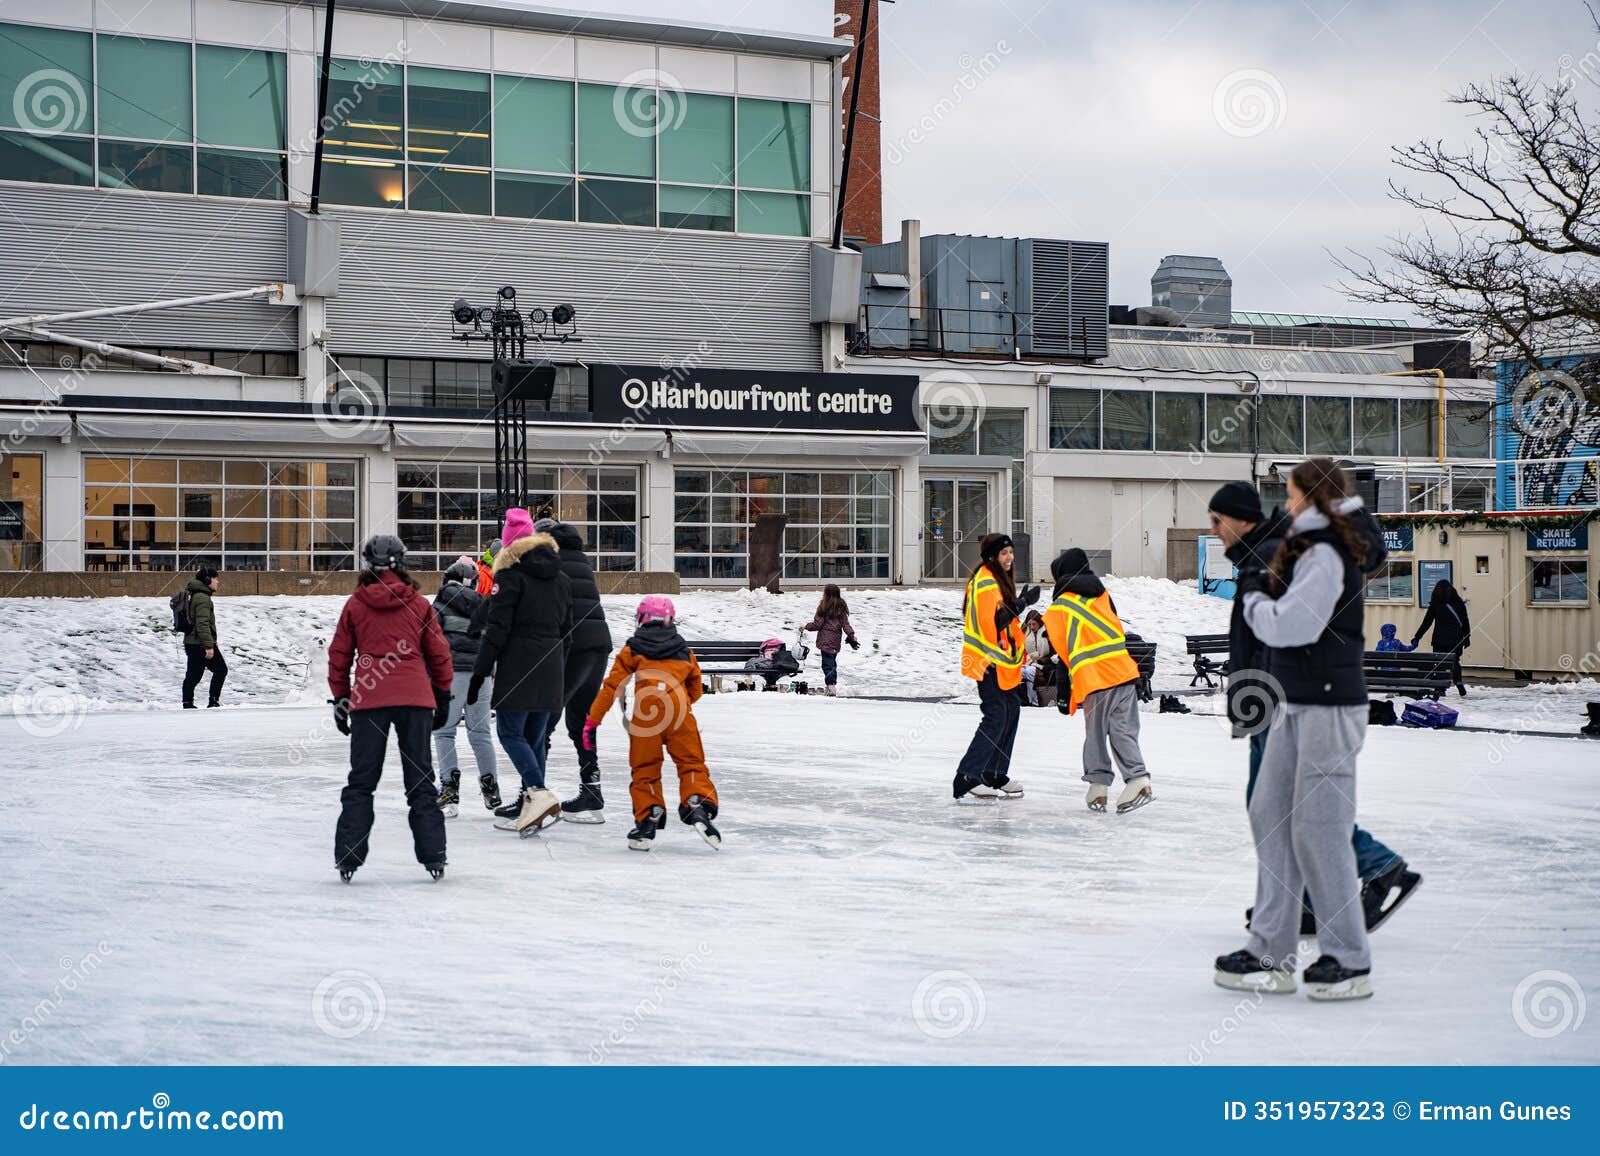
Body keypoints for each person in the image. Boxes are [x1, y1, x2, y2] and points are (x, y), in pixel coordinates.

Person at [1208, 480, 1421, 936]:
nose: (1213, 529)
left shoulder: (1268, 554)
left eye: (1217, 519)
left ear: (1241, 518)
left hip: (1279, 697)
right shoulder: (1263, 551)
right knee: (1282, 806)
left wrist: (1258, 698)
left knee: (1281, 807)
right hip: (1271, 694)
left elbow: (1287, 631)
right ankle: (1302, 902)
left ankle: (1376, 866)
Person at [1214, 459, 1380, 1001]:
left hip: (1329, 710)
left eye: (1290, 494)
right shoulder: (1306, 547)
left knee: (1320, 829)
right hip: (1294, 703)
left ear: (1311, 496)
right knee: (1270, 813)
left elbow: (1293, 626)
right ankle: (1270, 949)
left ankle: (1348, 958)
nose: (1284, 505)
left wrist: (1256, 599)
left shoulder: (1327, 553)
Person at [329, 534, 455, 883]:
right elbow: (439, 653)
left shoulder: (356, 604)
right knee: (420, 781)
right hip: (414, 700)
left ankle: (349, 857)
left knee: (362, 781)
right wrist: (442, 695)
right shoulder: (419, 605)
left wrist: (341, 698)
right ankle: (435, 854)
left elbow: (339, 656)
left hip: (369, 701)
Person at [583, 596, 720, 851]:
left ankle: (649, 814)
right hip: (679, 713)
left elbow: (612, 687)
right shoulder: (683, 650)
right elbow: (696, 687)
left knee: (645, 767)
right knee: (691, 762)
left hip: (646, 718)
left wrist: (592, 721)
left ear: (641, 619)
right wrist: (680, 703)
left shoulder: (633, 649)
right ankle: (696, 802)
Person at [472, 509, 572, 836]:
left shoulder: (510, 577)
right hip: (553, 666)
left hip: (520, 666)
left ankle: (539, 794)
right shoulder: (561, 578)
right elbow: (568, 631)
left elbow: (497, 632)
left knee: (510, 733)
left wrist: (479, 674)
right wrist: (560, 668)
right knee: (535, 738)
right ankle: (533, 804)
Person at [1042, 548, 1152, 814]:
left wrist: (1063, 695)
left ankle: (1098, 786)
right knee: (1123, 731)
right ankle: (1137, 778)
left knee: (1095, 735)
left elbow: (1062, 656)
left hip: (1095, 681)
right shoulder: (1102, 595)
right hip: (1125, 674)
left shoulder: (1059, 608)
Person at [530, 517, 614, 824]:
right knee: (582, 721)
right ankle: (591, 790)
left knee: (543, 720)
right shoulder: (581, 561)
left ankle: (534, 795)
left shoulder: (550, 564)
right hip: (597, 647)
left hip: (570, 648)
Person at [953, 533, 1037, 801]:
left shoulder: (996, 581)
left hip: (1000, 662)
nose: (1009, 557)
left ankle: (994, 773)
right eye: (1004, 553)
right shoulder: (986, 583)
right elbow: (992, 623)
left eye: (1011, 552)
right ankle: (968, 775)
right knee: (996, 715)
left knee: (1010, 710)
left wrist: (1018, 604)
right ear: (991, 557)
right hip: (986, 662)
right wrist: (1020, 605)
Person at [430, 556, 501, 815]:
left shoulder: (438, 605)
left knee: (444, 731)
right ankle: (491, 788)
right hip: (481, 677)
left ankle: (449, 790)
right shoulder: (485, 606)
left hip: (451, 675)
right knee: (480, 733)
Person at [1411, 578, 1471, 695]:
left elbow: (1427, 622)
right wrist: (1467, 637)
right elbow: (1465, 621)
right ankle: (1458, 682)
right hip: (1456, 639)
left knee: (1439, 663)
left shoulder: (1436, 604)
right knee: (1455, 661)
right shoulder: (1459, 603)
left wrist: (1417, 637)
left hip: (1440, 639)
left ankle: (1440, 688)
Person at [180, 564, 227, 709]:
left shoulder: (195, 594)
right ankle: (213, 701)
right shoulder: (202, 599)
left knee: (193, 675)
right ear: (207, 580)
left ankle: (188, 702)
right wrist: (209, 646)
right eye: (215, 579)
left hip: (192, 642)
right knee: (221, 670)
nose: (217, 582)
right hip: (200, 643)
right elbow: (202, 624)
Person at [803, 583, 859, 695]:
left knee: (827, 665)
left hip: (825, 641)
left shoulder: (823, 607)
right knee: (832, 663)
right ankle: (831, 685)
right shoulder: (841, 608)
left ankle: (831, 686)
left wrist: (805, 626)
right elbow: (846, 625)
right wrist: (852, 635)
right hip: (835, 641)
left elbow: (817, 625)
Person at [1020, 610, 1053, 707]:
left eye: (1034, 624)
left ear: (1039, 623)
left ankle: (1034, 701)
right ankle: (1025, 699)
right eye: (1029, 624)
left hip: (1045, 662)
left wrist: (1040, 660)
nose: (1032, 627)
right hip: (1029, 661)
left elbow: (1053, 651)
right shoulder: (1025, 631)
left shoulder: (1047, 630)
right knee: (1020, 671)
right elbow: (1020, 649)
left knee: (1030, 672)